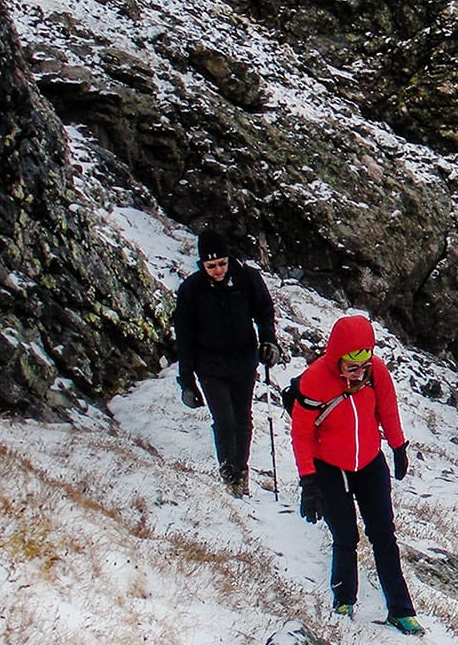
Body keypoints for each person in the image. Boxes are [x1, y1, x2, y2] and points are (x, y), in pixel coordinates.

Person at [291, 314, 423, 636]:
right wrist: (309, 482)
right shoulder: (315, 380)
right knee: (346, 536)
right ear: (337, 358)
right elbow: (301, 434)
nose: (359, 372)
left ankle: (401, 610)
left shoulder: (376, 372)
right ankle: (344, 600)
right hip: (329, 467)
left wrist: (398, 447)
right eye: (352, 366)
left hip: (368, 462)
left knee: (383, 535)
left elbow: (388, 411)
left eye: (364, 364)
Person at [174, 229, 279, 497]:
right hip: (209, 366)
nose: (218, 270)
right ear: (202, 265)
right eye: (211, 266)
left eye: (222, 263)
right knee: (224, 419)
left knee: (243, 417)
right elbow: (184, 337)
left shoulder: (247, 279)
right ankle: (228, 471)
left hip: (244, 361)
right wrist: (186, 381)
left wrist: (268, 341)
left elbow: (264, 311)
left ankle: (241, 470)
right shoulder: (191, 290)